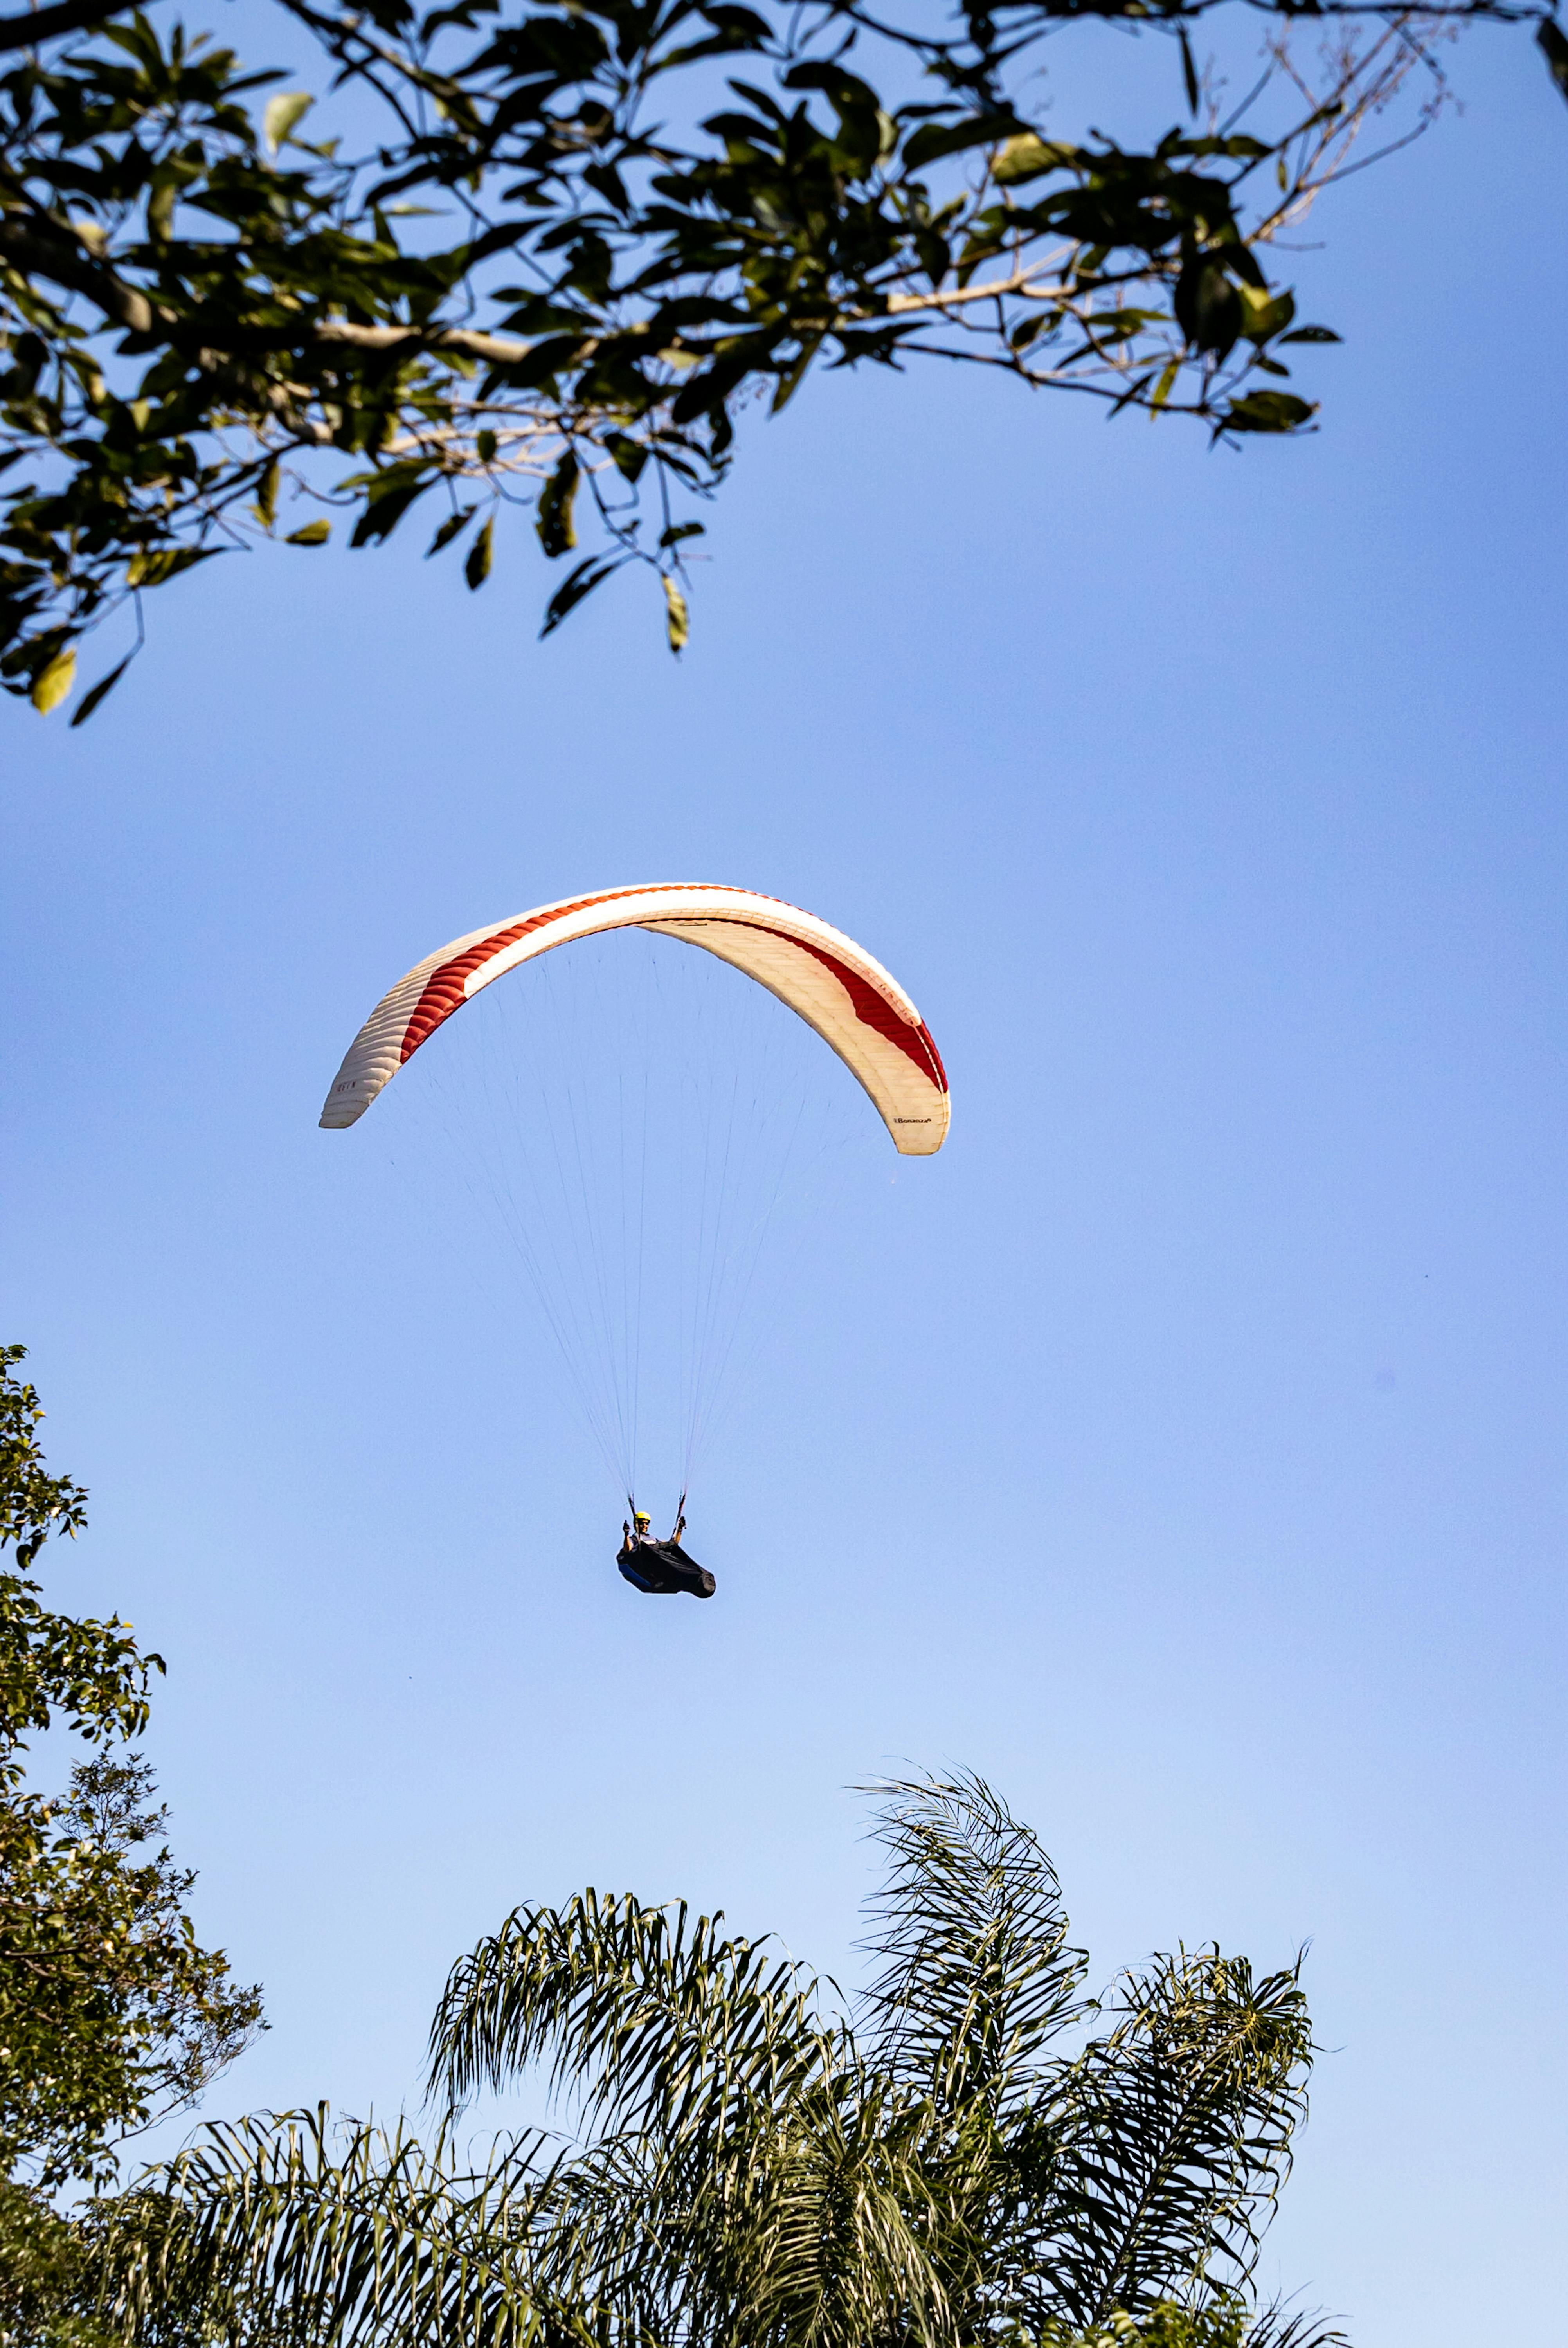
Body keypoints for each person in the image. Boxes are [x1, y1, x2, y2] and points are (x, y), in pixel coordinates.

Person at [616, 1508, 715, 1599]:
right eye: (642, 1523)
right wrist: (626, 1535)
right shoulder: (633, 1540)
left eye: (647, 1524)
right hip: (644, 1565)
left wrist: (680, 1529)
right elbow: (628, 1549)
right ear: (636, 1524)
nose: (644, 1526)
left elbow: (671, 1547)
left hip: (658, 1565)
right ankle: (654, 1581)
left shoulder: (652, 1539)